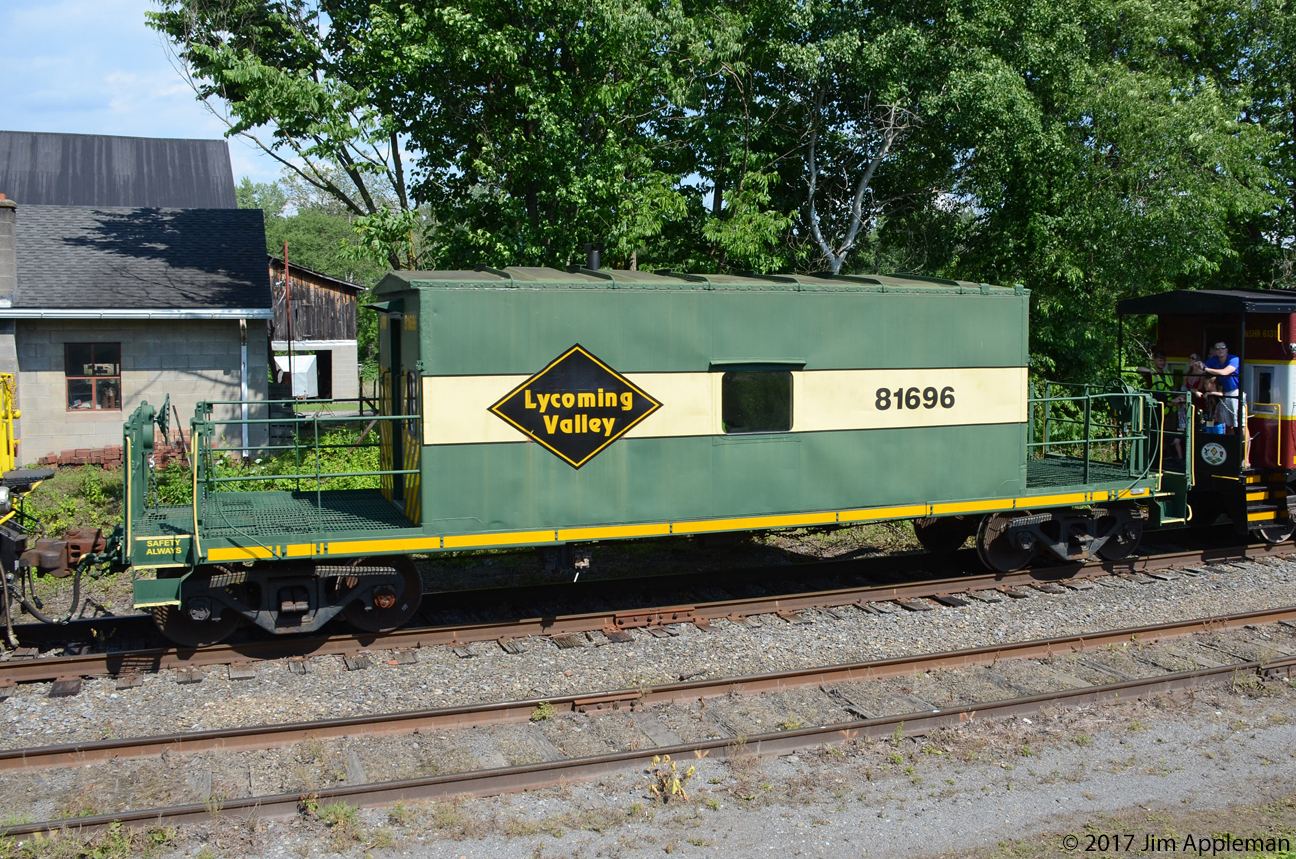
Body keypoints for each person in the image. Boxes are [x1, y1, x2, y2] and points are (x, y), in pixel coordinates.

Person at [1201, 341, 1241, 435]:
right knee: (1228, 425)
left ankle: (1244, 449)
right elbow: (1201, 370)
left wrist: (1205, 369)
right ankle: (1230, 448)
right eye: (1217, 348)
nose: (1220, 350)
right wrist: (1198, 365)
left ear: (1227, 349)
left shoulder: (1234, 359)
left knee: (1240, 425)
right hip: (1224, 394)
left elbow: (1225, 372)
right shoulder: (1214, 359)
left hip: (1235, 393)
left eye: (1222, 347)